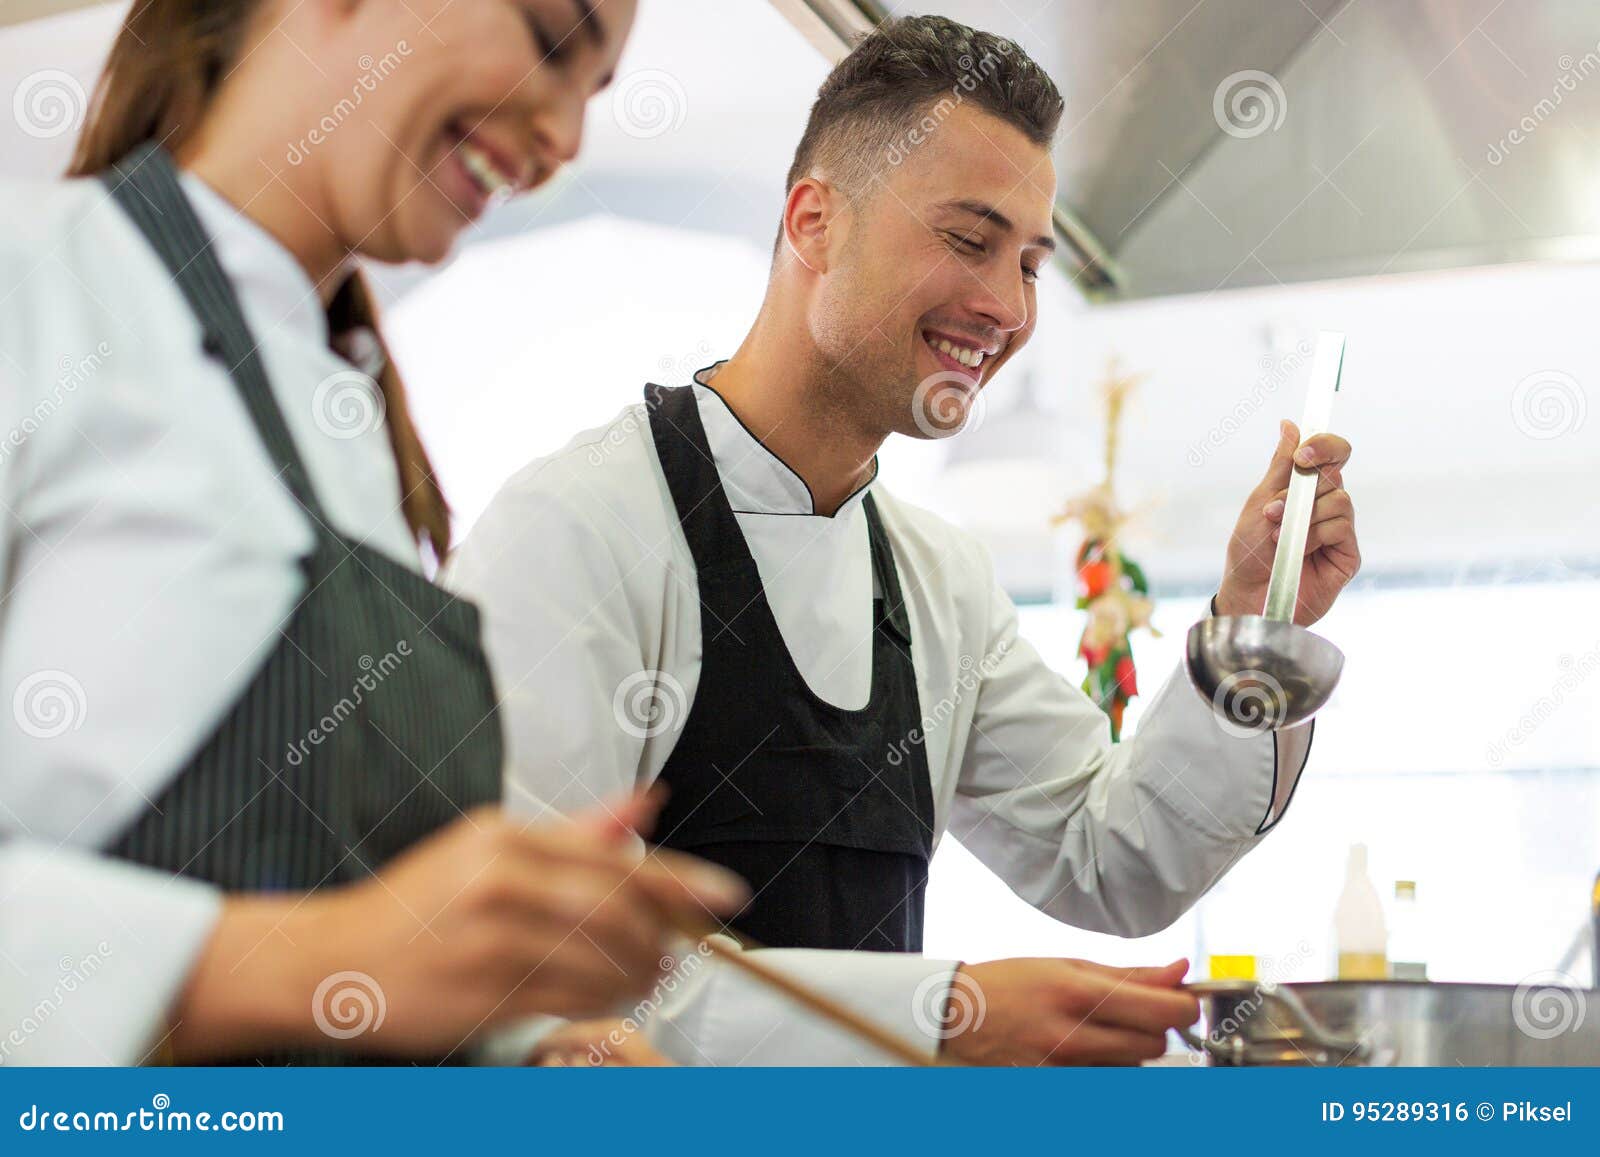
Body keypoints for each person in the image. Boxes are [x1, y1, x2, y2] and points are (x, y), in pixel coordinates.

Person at [446, 15, 1360, 1066]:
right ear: (813, 222)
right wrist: (943, 1012)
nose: (1006, 306)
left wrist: (1255, 615)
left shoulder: (938, 580)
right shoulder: (579, 529)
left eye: (1028, 262)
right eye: (969, 241)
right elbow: (529, 971)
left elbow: (1115, 856)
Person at [0, 0, 746, 1066]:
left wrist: (525, 1038)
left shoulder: (366, 439)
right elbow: (346, 947)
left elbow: (371, 925)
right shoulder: (31, 288)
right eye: (548, 39)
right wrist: (314, 960)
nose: (568, 140)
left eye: (596, 90)